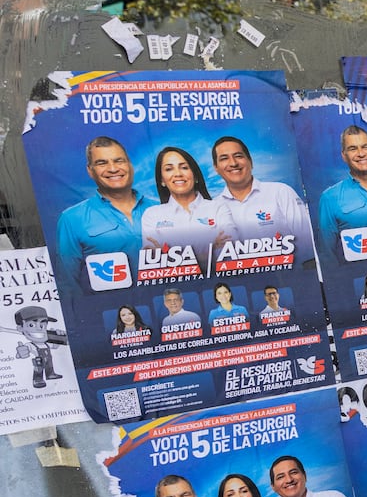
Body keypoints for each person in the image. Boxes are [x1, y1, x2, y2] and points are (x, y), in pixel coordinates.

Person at [56, 136, 153, 291]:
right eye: (102, 163)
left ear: (130, 165)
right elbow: (67, 284)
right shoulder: (72, 219)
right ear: (90, 171)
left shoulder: (160, 208)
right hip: (111, 312)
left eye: (119, 161)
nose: (113, 169)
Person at [210, 136, 313, 243]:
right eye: (224, 158)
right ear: (216, 168)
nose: (233, 163)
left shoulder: (281, 192)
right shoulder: (213, 209)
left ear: (250, 161)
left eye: (238, 156)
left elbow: (307, 240)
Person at [141, 145, 235, 262]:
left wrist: (170, 256)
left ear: (195, 176)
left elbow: (229, 257)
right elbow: (155, 263)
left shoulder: (218, 208)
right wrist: (210, 252)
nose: (178, 173)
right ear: (162, 181)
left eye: (184, 167)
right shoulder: (151, 215)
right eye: (169, 169)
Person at [318, 126, 367, 260]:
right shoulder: (330, 198)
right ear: (344, 156)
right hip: (361, 277)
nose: (361, 153)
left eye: (365, 147)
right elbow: (327, 255)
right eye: (353, 149)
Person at [12, 306, 63, 388]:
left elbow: (55, 346)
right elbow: (21, 353)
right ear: (20, 328)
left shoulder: (47, 343)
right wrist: (21, 353)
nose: (39, 329)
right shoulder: (31, 345)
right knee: (38, 370)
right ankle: (38, 380)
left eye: (42, 325)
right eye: (32, 325)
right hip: (38, 361)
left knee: (49, 366)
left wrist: (59, 337)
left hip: (48, 360)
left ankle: (50, 374)